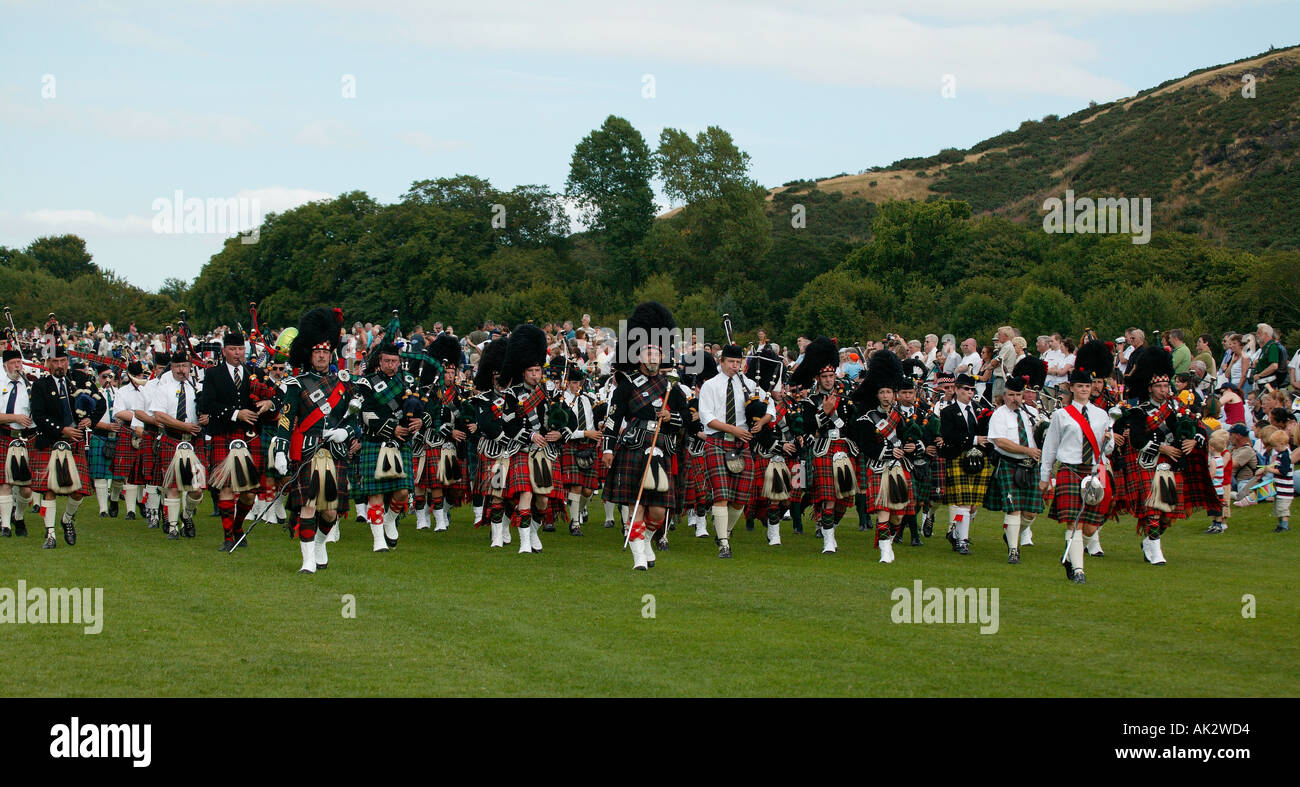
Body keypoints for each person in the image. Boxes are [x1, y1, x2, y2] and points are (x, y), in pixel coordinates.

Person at [601, 302, 690, 569]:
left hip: (661, 448)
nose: (652, 358)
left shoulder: (671, 386)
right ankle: (638, 554)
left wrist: (670, 417)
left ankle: (647, 538)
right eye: (648, 353)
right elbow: (613, 418)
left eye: (656, 353)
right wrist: (607, 449)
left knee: (658, 510)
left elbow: (686, 417)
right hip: (633, 447)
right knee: (634, 505)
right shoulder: (626, 383)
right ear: (639, 357)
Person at [270, 307, 357, 574]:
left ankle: (320, 543)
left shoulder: (344, 383)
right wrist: (281, 452)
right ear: (310, 353)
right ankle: (307, 560)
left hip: (334, 452)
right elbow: (285, 420)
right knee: (307, 507)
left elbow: (353, 418)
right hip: (307, 451)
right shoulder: (296, 384)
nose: (321, 355)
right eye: (317, 351)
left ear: (331, 354)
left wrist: (347, 432)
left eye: (326, 352)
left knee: (330, 512)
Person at [1114, 347, 1219, 566]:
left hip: (1173, 465)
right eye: (1159, 386)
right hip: (1149, 462)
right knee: (1153, 508)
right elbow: (1137, 440)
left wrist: (1194, 439)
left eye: (1165, 385)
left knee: (1167, 512)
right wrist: (1163, 448)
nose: (1164, 390)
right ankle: (1155, 548)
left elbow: (1200, 428)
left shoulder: (1178, 407)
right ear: (1150, 388)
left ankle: (1150, 541)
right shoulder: (1138, 410)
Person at [199, 331, 276, 551]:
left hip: (250, 436)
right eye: (233, 349)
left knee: (249, 492)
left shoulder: (256, 372)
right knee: (226, 487)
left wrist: (269, 403)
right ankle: (228, 536)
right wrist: (236, 413)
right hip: (224, 433)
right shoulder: (213, 374)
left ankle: (238, 527)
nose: (237, 353)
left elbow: (278, 394)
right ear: (224, 351)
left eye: (240, 349)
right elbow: (207, 404)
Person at [1038, 367, 1114, 583]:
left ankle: (1071, 554)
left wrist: (1109, 440)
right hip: (1070, 469)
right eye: (1079, 386)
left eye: (1087, 386)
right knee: (1074, 521)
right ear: (1071, 388)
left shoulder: (1101, 415)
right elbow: (1050, 448)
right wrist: (1045, 477)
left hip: (1093, 471)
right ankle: (1079, 570)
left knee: (1090, 526)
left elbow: (1108, 451)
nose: (1084, 390)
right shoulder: (1061, 415)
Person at [699, 343, 773, 558]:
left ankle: (726, 531)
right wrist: (735, 430)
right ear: (721, 362)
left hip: (742, 444)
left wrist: (761, 423)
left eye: (738, 362)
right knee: (721, 494)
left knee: (740, 498)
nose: (734, 366)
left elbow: (770, 410)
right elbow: (707, 418)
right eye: (730, 362)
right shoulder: (710, 386)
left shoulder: (749, 385)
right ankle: (723, 543)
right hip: (717, 441)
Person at [354, 340, 429, 553]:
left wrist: (420, 421)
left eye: (394, 361)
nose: (390, 364)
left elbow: (423, 407)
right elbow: (365, 413)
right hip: (375, 441)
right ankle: (378, 540)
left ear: (399, 362)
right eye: (386, 360)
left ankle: (390, 519)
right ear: (380, 361)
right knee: (375, 493)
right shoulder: (366, 383)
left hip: (401, 444)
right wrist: (391, 428)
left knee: (403, 492)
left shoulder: (408, 382)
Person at [498, 324, 561, 553]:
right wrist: (531, 435)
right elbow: (508, 422)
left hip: (546, 453)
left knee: (543, 500)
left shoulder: (549, 394)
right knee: (526, 493)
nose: (536, 375)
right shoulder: (512, 394)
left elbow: (565, 420)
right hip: (523, 450)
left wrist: (559, 432)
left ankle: (533, 531)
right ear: (523, 372)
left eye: (538, 371)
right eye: (531, 371)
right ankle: (524, 543)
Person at [851, 349, 917, 563]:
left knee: (898, 514)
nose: (886, 396)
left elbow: (910, 437)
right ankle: (885, 550)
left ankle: (888, 537)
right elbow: (866, 445)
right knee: (883, 511)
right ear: (877, 394)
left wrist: (910, 446)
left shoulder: (901, 416)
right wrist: (889, 451)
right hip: (879, 467)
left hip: (899, 468)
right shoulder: (867, 417)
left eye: (889, 392)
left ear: (894, 393)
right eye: (882, 392)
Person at [984, 375, 1043, 564]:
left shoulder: (1031, 413)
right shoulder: (999, 414)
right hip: (1009, 463)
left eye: (1018, 394)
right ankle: (1013, 550)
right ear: (1004, 395)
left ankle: (1012, 532)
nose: (1014, 398)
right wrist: (1027, 450)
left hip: (1030, 466)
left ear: (1023, 394)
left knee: (1031, 513)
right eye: (1011, 394)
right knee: (1014, 509)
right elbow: (1000, 441)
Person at [939, 373, 992, 554]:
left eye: (972, 390)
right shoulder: (948, 412)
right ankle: (963, 541)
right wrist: (975, 439)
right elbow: (948, 435)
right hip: (958, 457)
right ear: (956, 390)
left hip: (978, 459)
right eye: (966, 389)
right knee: (963, 503)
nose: (970, 393)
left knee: (973, 505)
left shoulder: (980, 410)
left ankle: (955, 532)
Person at [0, 349, 36, 538]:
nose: (17, 366)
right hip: (4, 435)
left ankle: (19, 517)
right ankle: (5, 526)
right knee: (4, 483)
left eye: (19, 362)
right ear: (5, 365)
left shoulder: (29, 386)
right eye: (13, 363)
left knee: (26, 487)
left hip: (24, 439)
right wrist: (14, 417)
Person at [87, 366, 123, 518]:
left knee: (119, 475)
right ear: (98, 378)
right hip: (100, 434)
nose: (107, 379)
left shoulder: (120, 393)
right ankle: (103, 509)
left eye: (110, 376)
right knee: (100, 475)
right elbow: (88, 420)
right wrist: (107, 425)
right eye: (104, 376)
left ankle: (114, 499)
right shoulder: (93, 395)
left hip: (117, 436)